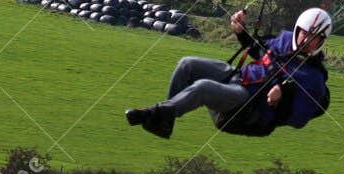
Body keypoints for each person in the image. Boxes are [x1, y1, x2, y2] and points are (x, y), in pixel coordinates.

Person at [125, 7, 332, 138]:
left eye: (313, 37)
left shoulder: (313, 78)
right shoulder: (285, 39)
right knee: (187, 64)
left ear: (321, 40)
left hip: (248, 108)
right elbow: (259, 49)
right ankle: (164, 123)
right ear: (297, 29)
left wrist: (284, 94)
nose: (305, 39)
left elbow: (299, 120)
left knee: (203, 88)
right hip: (239, 78)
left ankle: (154, 113)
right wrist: (241, 31)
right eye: (303, 32)